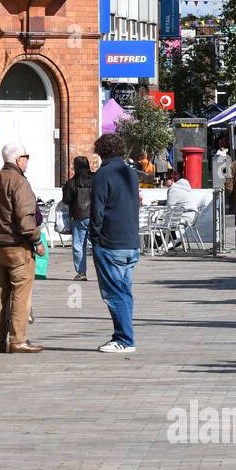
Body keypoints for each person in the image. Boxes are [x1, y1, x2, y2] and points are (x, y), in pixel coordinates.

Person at [0, 142, 45, 354]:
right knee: (20, 293)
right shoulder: (19, 182)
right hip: (17, 247)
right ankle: (18, 339)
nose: (27, 160)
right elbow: (25, 218)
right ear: (17, 160)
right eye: (26, 156)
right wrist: (37, 241)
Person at [89, 133, 141, 353]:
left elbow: (97, 210)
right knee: (124, 290)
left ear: (102, 152)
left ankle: (124, 338)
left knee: (114, 293)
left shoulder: (102, 174)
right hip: (130, 240)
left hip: (110, 242)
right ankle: (124, 335)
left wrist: (95, 237)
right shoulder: (131, 173)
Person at [61, 155, 94, 281]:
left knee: (78, 245)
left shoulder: (72, 182)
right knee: (97, 244)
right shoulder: (96, 179)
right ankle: (102, 271)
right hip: (95, 215)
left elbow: (66, 200)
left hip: (79, 216)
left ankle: (81, 272)